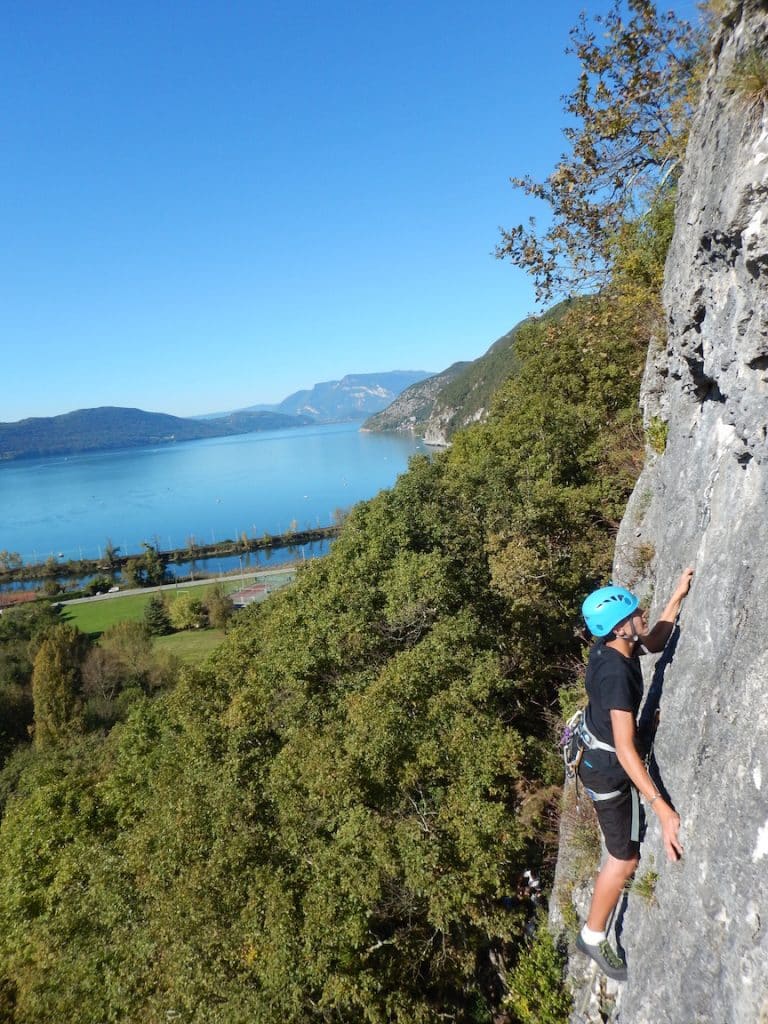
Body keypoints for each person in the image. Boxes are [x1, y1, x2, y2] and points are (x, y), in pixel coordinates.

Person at [575, 568, 694, 981]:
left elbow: (654, 640)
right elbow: (626, 750)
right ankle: (591, 936)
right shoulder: (615, 676)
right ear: (621, 627)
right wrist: (661, 807)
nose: (642, 611)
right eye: (635, 611)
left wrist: (678, 595)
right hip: (606, 773)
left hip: (602, 754)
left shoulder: (617, 645)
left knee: (625, 849)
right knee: (624, 860)